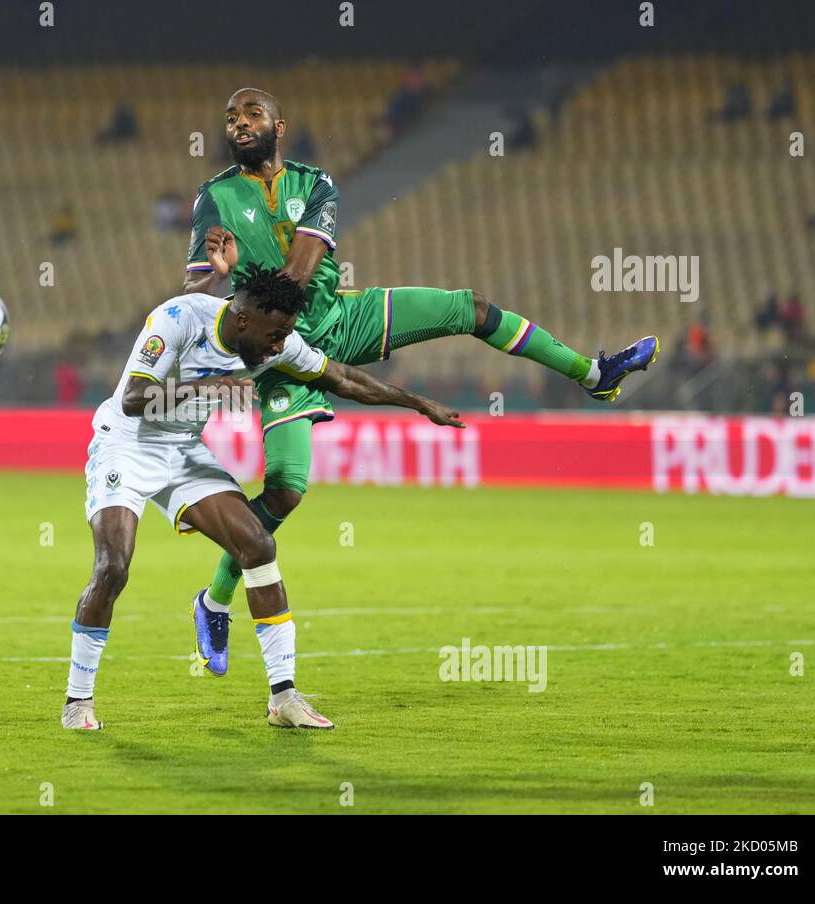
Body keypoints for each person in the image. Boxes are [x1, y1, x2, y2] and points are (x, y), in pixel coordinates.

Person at [182, 88, 659, 674]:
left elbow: (303, 275)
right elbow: (196, 296)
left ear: (279, 125)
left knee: (471, 309)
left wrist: (246, 287)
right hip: (280, 351)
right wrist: (219, 284)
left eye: (252, 114)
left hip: (341, 318)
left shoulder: (317, 184)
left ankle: (594, 375)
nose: (239, 124)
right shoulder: (214, 197)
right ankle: (213, 602)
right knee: (284, 489)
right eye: (230, 117)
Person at [63, 264, 464, 730]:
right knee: (113, 567)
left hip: (183, 450)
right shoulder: (178, 318)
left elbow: (341, 379)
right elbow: (135, 398)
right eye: (275, 335)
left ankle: (284, 699)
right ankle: (78, 701)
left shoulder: (274, 340)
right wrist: (209, 387)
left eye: (286, 336)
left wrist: (416, 402)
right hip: (126, 444)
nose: (280, 346)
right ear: (243, 319)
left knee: (257, 546)